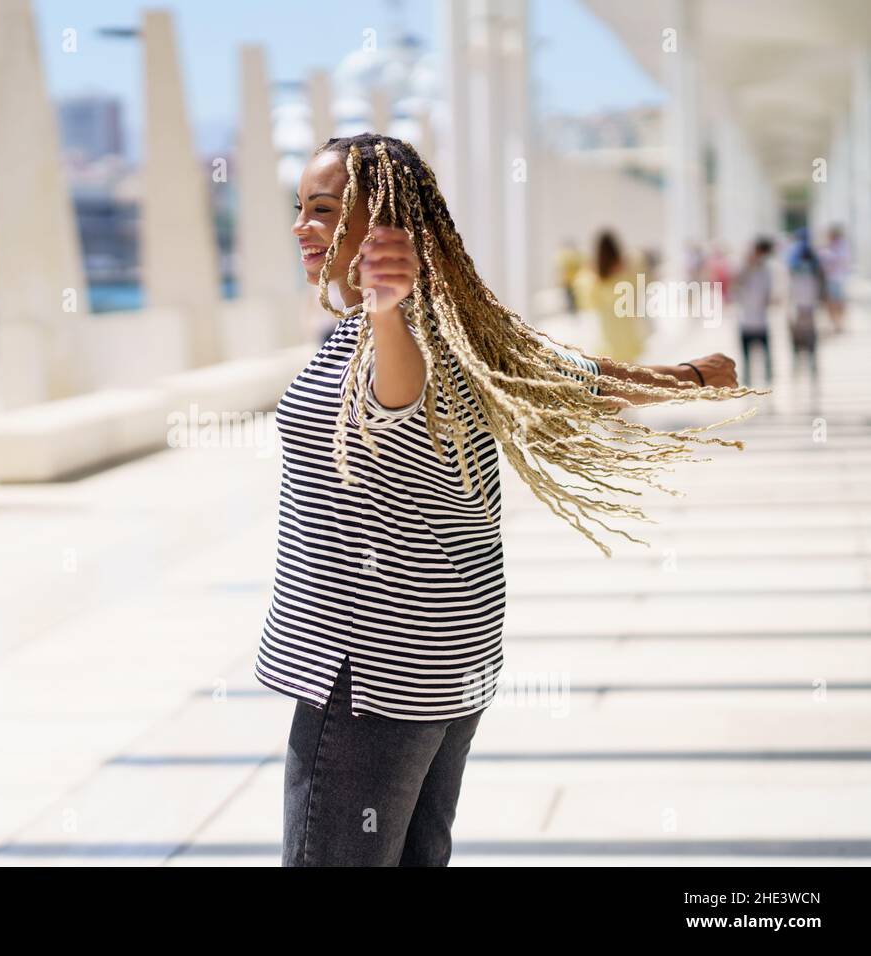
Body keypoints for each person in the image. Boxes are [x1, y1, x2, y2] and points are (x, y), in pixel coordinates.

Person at [259, 133, 751, 867]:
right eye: (300, 208)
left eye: (324, 209)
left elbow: (397, 398)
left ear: (385, 223)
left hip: (366, 679)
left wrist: (388, 312)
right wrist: (687, 377)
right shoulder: (462, 330)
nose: (302, 225)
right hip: (447, 666)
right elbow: (574, 382)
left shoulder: (396, 335)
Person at [583, 230, 648, 363]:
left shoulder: (593, 280)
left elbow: (589, 303)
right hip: (629, 336)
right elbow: (641, 268)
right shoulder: (628, 274)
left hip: (607, 339)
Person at [735, 238, 774, 387]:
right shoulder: (743, 270)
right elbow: (736, 286)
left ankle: (768, 381)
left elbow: (769, 295)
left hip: (760, 320)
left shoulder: (766, 270)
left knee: (765, 355)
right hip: (746, 320)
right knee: (746, 357)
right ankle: (747, 381)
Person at [787, 229, 824, 385]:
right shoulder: (812, 262)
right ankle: (808, 362)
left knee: (801, 335)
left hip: (802, 304)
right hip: (806, 303)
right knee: (808, 334)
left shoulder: (794, 259)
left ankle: (805, 362)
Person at [819, 225, 851, 334]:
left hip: (837, 278)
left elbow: (840, 260)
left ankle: (839, 323)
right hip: (833, 278)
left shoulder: (841, 245)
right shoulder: (830, 246)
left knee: (838, 302)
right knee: (832, 302)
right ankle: (835, 323)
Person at [555, 239, 582, 313]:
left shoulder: (565, 256)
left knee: (572, 299)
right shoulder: (574, 256)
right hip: (570, 282)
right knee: (571, 299)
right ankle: (572, 311)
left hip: (571, 282)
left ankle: (573, 311)